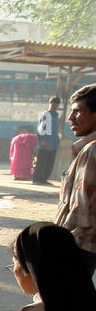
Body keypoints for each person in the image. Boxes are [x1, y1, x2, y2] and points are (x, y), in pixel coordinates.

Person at [56, 84, 96, 258]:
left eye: (77, 111)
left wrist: (57, 242)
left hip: (80, 245)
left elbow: (81, 212)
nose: (70, 118)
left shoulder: (91, 151)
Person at [34, 95, 62, 185]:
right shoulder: (46, 115)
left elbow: (56, 130)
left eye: (55, 105)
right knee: (41, 162)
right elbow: (41, 129)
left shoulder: (56, 116)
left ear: (57, 106)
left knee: (50, 163)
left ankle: (44, 179)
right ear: (50, 104)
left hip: (53, 143)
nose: (53, 106)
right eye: (52, 104)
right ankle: (37, 179)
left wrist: (57, 142)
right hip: (45, 143)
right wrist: (43, 140)